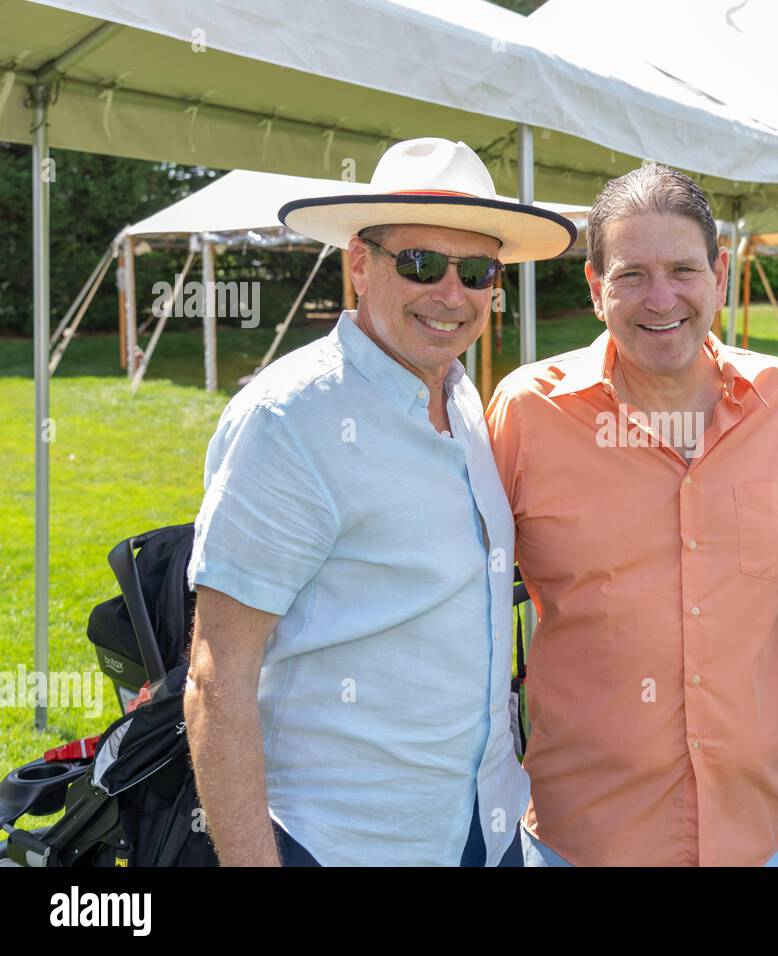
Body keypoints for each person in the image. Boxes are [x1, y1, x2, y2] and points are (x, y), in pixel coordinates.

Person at [184, 137, 575, 866]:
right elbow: (217, 671)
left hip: (485, 827)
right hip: (345, 842)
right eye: (422, 263)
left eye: (478, 271)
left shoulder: (460, 394)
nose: (450, 294)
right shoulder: (289, 418)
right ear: (360, 265)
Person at [485, 163, 778, 867]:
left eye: (682, 270)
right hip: (583, 839)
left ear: (719, 274)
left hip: (765, 833)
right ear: (595, 289)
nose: (661, 299)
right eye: (631, 275)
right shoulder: (528, 413)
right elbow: (454, 593)